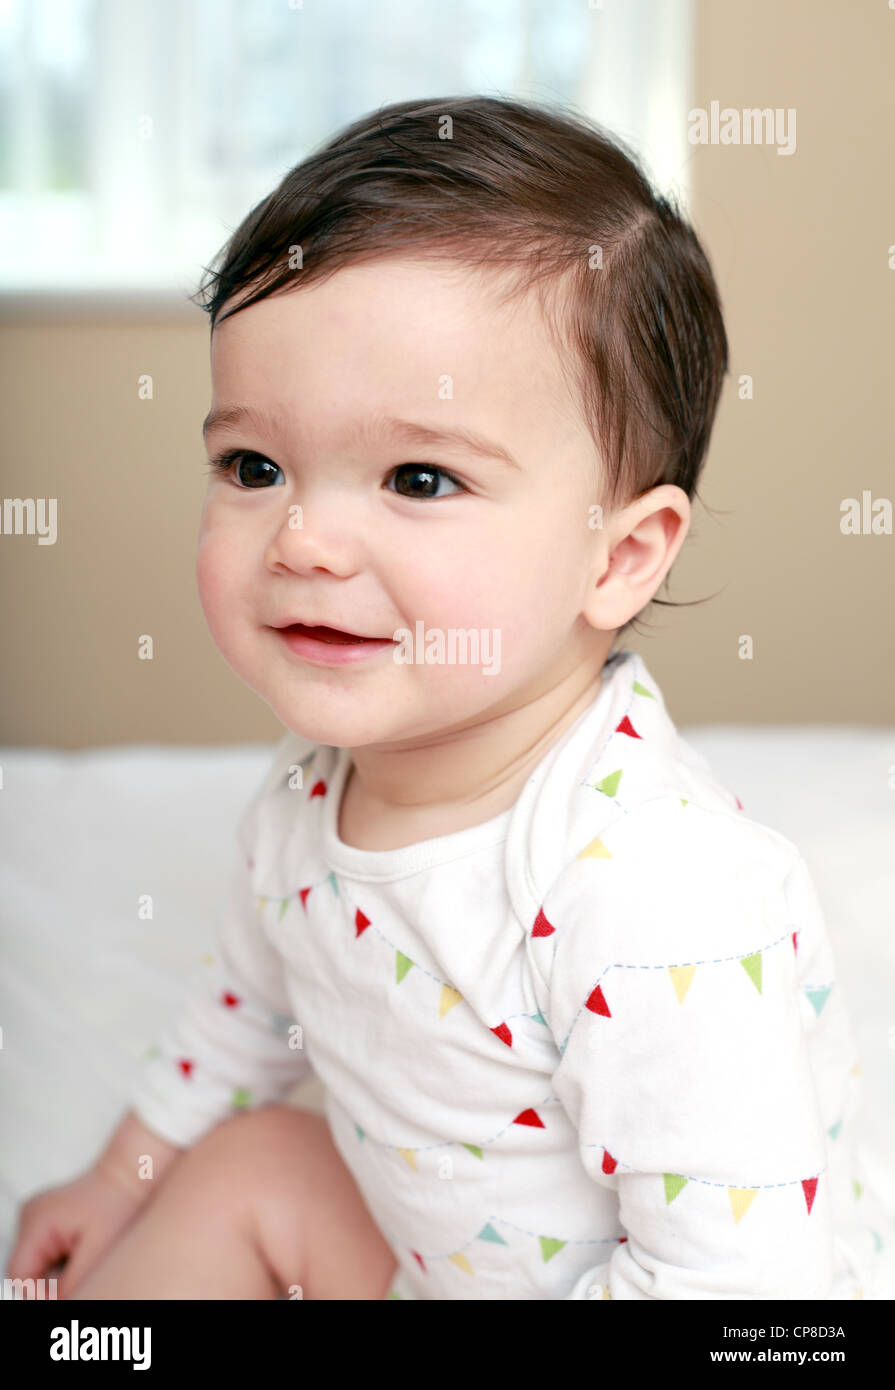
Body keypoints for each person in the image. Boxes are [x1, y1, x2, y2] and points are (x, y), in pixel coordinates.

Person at [8, 94, 892, 1300]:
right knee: (247, 1166)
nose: (305, 538)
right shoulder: (314, 785)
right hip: (436, 1261)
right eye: (253, 466)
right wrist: (122, 1177)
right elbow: (248, 1010)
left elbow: (747, 1295)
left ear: (619, 556)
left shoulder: (650, 892)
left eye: (419, 476)